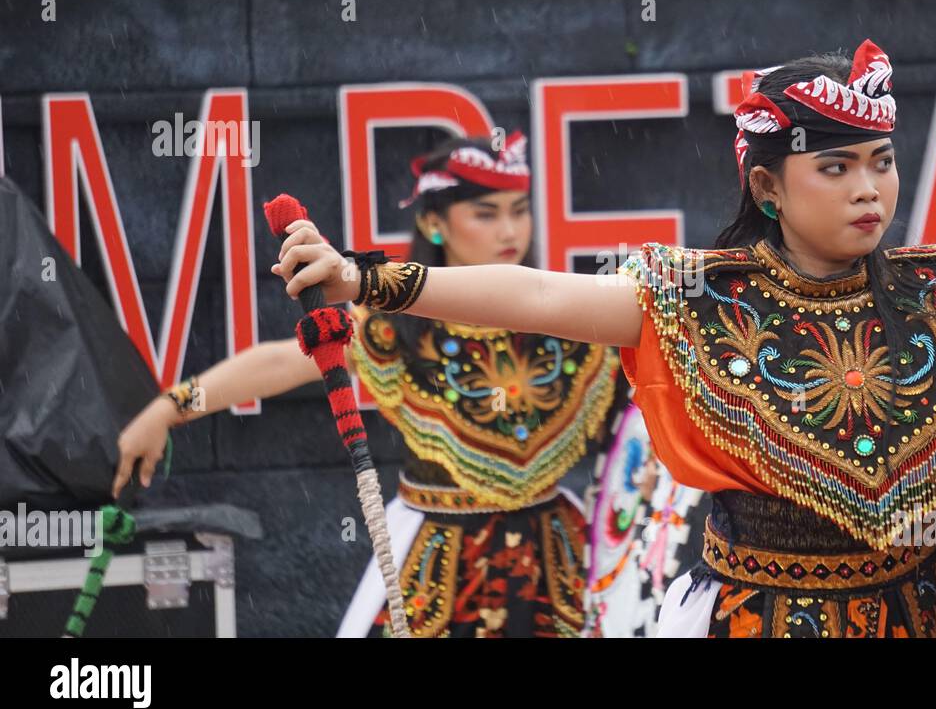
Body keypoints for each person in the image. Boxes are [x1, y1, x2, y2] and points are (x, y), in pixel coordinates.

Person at [269, 39, 936, 638]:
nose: (869, 189)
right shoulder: (701, 297)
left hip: (918, 616)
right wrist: (364, 280)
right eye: (834, 168)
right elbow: (538, 293)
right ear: (767, 185)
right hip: (755, 619)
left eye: (882, 161)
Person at [116, 133, 623, 637]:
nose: (509, 229)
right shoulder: (395, 324)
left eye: (519, 209)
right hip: (442, 567)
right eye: (486, 214)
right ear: (433, 222)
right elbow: (279, 364)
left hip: (553, 561)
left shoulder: (566, 315)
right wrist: (169, 409)